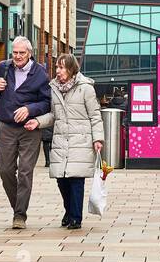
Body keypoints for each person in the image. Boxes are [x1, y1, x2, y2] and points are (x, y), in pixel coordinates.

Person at [27, 53, 103, 229]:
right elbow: (54, 115)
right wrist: (38, 121)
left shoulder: (85, 88)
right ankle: (69, 211)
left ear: (71, 69)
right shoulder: (53, 88)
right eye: (57, 67)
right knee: (61, 180)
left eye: (62, 67)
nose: (58, 71)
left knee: (76, 180)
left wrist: (98, 138)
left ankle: (76, 217)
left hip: (80, 140)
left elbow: (95, 116)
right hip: (61, 140)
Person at [0, 36, 52, 229]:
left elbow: (47, 102)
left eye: (21, 53)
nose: (17, 56)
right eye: (15, 52)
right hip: (6, 126)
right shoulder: (3, 67)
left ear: (30, 54)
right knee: (6, 170)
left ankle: (19, 215)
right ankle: (18, 206)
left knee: (25, 171)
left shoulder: (40, 73)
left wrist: (30, 110)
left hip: (29, 128)